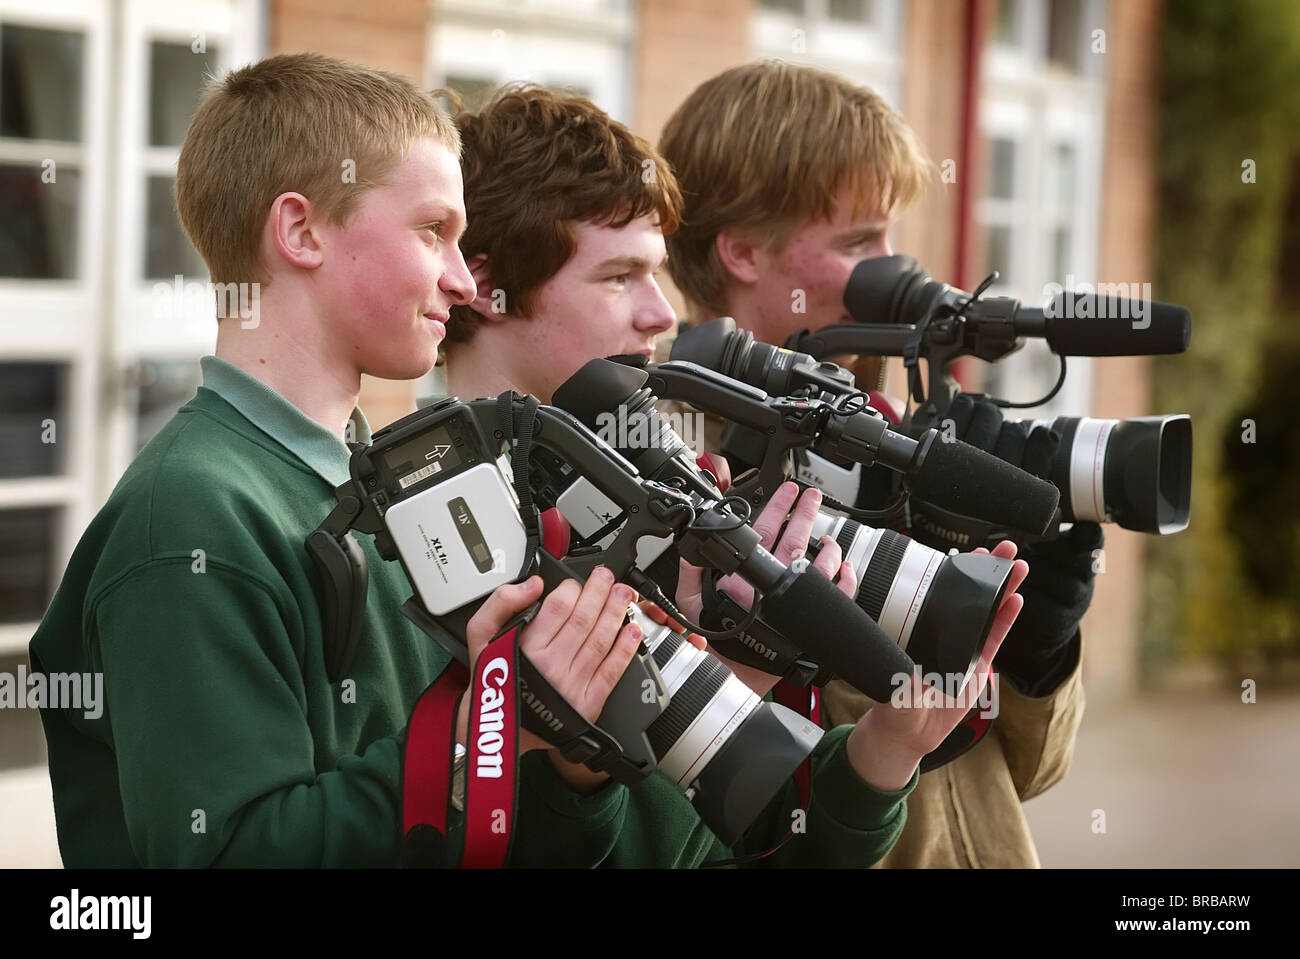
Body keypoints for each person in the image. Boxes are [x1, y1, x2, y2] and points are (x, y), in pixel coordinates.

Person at [29, 53, 689, 868]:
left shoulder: (378, 481)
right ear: (301, 230)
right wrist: (486, 724)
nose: (460, 278)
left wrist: (567, 759)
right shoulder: (193, 513)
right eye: (432, 231)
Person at [433, 82, 1030, 866]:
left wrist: (890, 745)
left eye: (656, 275)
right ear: (485, 285)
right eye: (619, 277)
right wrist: (733, 676)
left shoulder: (649, 483)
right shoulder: (434, 533)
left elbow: (771, 846)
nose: (658, 313)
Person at [659, 59, 1097, 867]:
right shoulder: (669, 478)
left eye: (893, 237)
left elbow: (1026, 774)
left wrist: (1038, 642)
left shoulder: (895, 431)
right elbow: (735, 804)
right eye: (862, 243)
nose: (898, 276)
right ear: (744, 252)